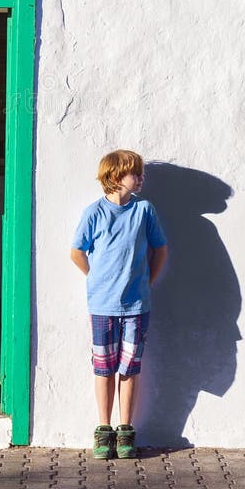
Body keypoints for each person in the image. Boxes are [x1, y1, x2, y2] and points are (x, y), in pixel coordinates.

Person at [71, 149, 167, 459]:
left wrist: (145, 283)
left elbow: (159, 250)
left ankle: (125, 429)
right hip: (102, 305)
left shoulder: (144, 211)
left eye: (140, 173)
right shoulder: (94, 213)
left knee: (129, 367)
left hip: (136, 306)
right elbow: (77, 252)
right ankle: (103, 429)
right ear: (115, 177)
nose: (140, 178)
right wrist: (96, 278)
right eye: (135, 173)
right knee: (103, 367)